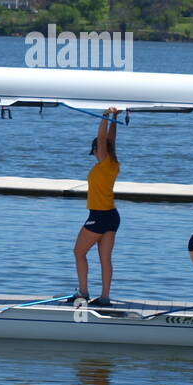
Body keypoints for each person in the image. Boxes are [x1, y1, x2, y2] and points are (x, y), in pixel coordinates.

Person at [72, 107, 121, 306]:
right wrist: (114, 119)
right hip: (112, 216)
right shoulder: (113, 163)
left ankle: (83, 292)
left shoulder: (104, 163)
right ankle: (105, 297)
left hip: (99, 216)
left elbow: (102, 139)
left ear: (97, 151)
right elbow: (110, 140)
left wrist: (105, 116)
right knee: (105, 259)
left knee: (78, 252)